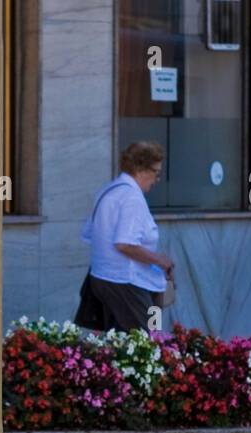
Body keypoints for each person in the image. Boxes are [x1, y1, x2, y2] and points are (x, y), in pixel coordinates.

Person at [74, 141, 175, 332]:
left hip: (101, 278)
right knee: (144, 344)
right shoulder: (132, 198)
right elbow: (125, 244)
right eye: (156, 172)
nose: (157, 179)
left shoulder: (108, 190)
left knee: (115, 345)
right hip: (125, 281)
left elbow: (90, 235)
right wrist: (161, 261)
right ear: (140, 169)